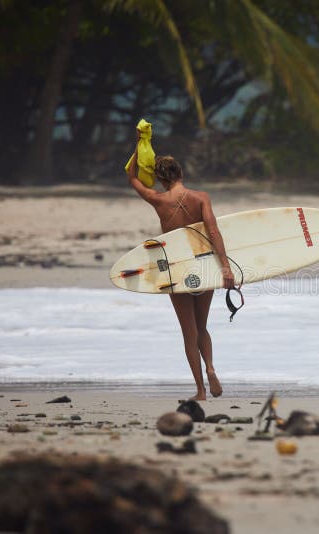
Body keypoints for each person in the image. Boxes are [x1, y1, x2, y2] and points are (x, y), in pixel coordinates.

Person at [127, 135, 235, 401]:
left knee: (189, 333)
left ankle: (200, 391)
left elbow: (132, 178)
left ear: (161, 178)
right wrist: (226, 269)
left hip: (176, 271)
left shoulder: (158, 200)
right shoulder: (201, 198)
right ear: (181, 172)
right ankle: (210, 367)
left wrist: (140, 147)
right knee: (203, 327)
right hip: (203, 266)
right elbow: (214, 232)